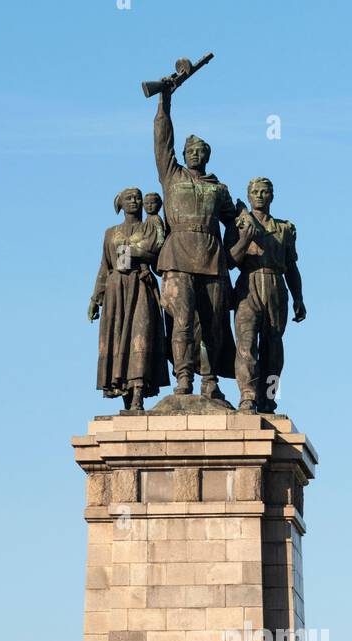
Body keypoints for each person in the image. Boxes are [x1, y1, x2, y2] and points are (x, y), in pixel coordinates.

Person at [153, 81, 237, 399]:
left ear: (208, 155)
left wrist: (232, 252)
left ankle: (210, 378)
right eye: (190, 151)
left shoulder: (220, 189)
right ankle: (184, 377)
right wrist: (165, 102)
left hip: (212, 259)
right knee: (183, 320)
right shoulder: (172, 175)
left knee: (213, 323)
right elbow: (162, 141)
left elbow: (237, 224)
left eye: (200, 151)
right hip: (178, 257)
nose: (195, 154)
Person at [87, 187, 170, 413]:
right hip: (115, 291)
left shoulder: (150, 225)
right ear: (120, 204)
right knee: (117, 341)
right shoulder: (110, 232)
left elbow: (158, 250)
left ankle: (138, 396)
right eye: (129, 198)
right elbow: (105, 266)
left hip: (140, 285)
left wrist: (135, 253)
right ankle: (125, 394)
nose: (134, 201)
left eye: (137, 198)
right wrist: (96, 297)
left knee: (140, 337)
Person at [230, 177, 306, 414]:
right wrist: (245, 239)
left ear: (272, 196)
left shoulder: (284, 229)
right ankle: (247, 397)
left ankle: (269, 400)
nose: (260, 195)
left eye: (265, 192)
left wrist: (298, 298)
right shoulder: (239, 224)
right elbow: (230, 261)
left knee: (273, 349)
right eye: (255, 192)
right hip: (248, 285)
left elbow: (292, 267)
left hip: (276, 286)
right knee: (246, 343)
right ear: (249, 196)